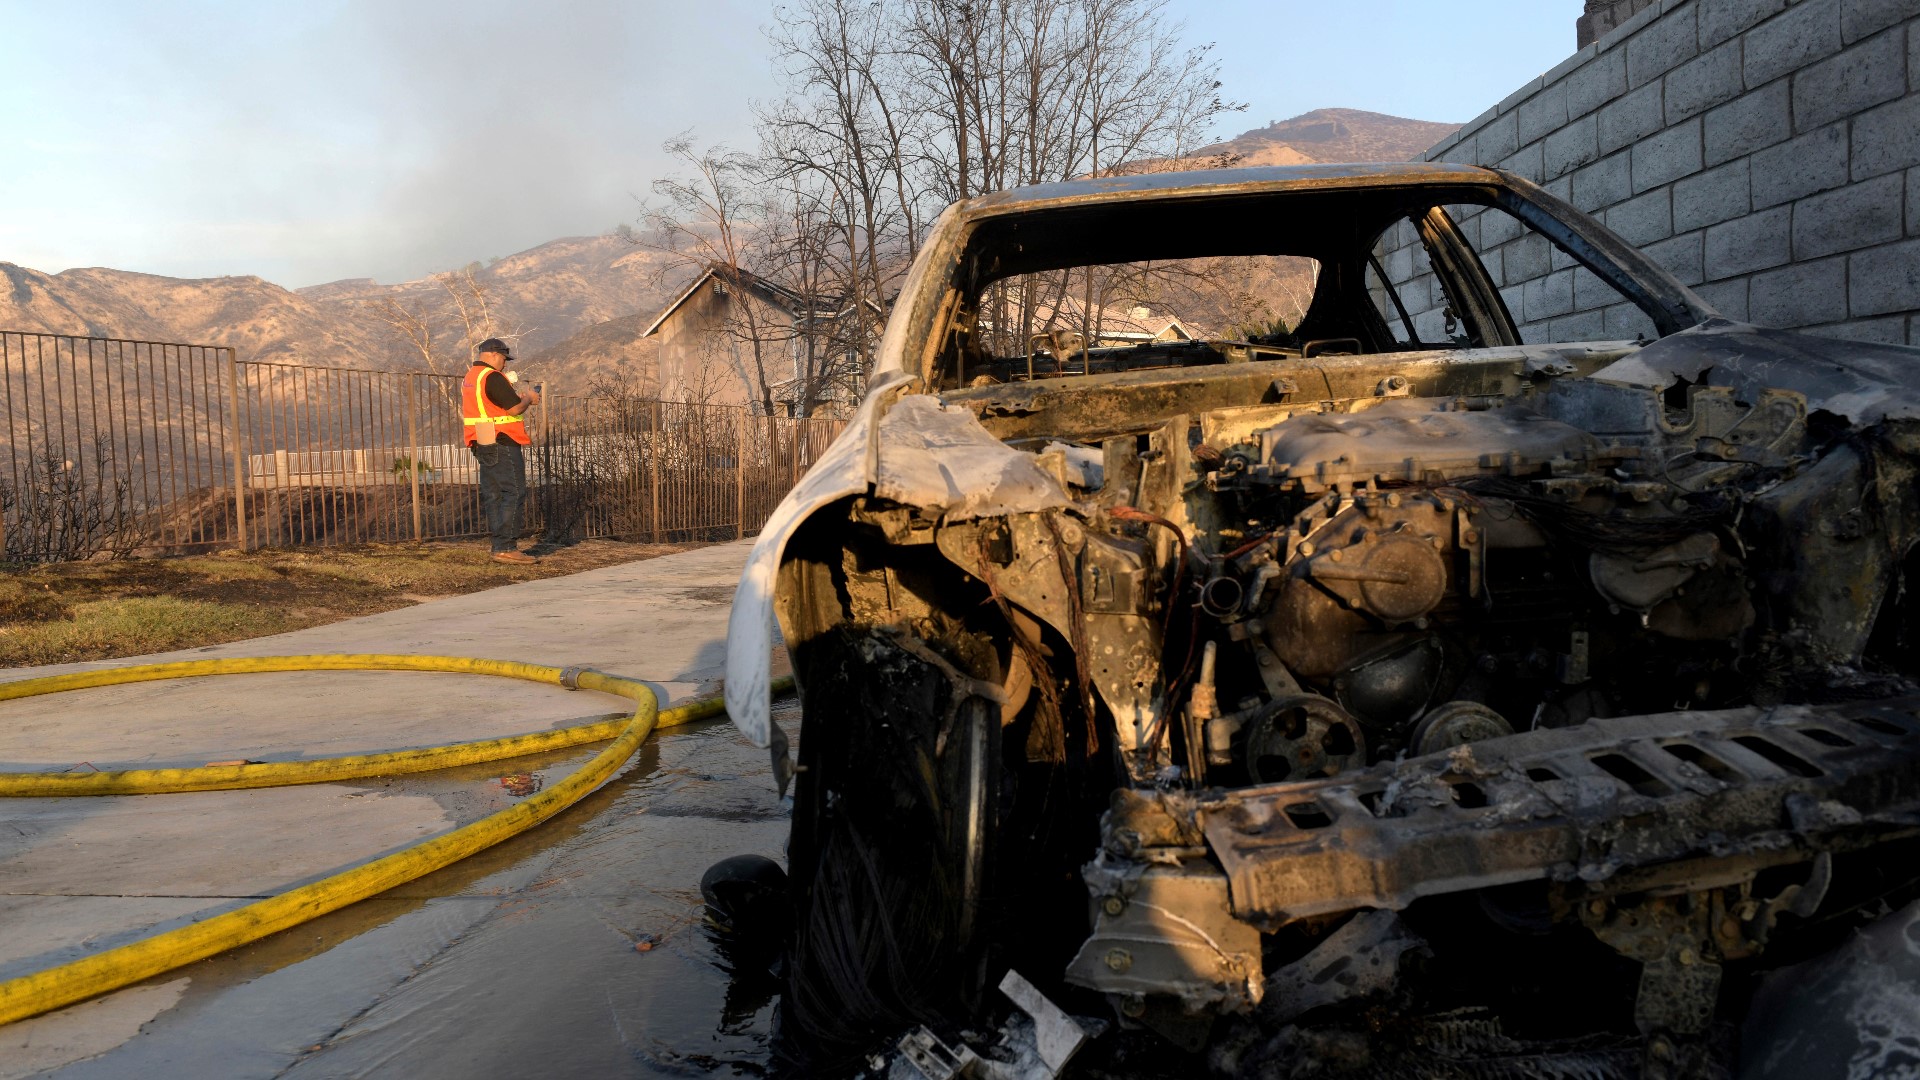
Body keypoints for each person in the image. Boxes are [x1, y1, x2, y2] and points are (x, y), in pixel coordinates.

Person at [461, 338, 540, 564]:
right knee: (513, 492)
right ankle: (506, 547)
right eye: (504, 359)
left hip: (481, 439)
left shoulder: (471, 378)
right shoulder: (491, 377)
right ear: (494, 354)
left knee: (493, 494)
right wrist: (528, 398)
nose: (505, 364)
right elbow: (514, 407)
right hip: (502, 439)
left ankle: (499, 546)